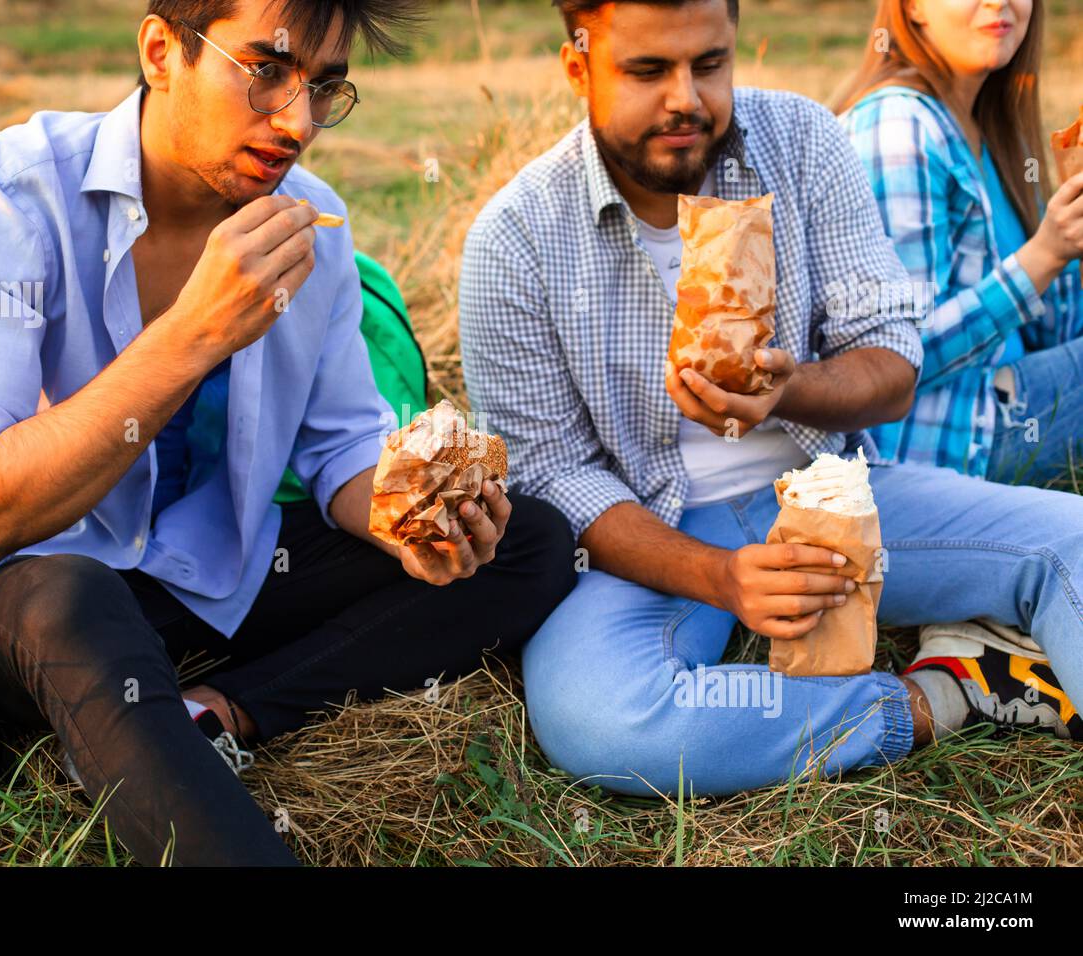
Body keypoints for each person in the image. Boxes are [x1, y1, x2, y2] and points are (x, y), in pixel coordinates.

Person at [0, 0, 575, 866]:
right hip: (22, 601)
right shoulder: (0, 199)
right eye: (268, 71)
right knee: (79, 599)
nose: (298, 120)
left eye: (325, 87)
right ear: (161, 50)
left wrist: (414, 515)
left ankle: (212, 713)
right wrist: (192, 335)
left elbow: (339, 453)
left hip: (209, 582)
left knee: (534, 541)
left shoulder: (311, 223)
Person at [458, 0, 1082, 801]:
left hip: (836, 494)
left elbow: (893, 355)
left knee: (1068, 538)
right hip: (650, 530)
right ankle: (947, 693)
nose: (687, 98)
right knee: (598, 718)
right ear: (578, 66)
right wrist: (722, 578)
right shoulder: (515, 237)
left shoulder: (802, 141)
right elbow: (550, 472)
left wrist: (793, 388)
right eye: (648, 71)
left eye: (710, 64)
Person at [834, 0, 1083, 484]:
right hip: (944, 444)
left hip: (1009, 403)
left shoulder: (997, 136)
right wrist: (1044, 256)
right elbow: (891, 359)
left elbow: (1056, 335)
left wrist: (1068, 249)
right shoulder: (899, 126)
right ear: (913, 9)